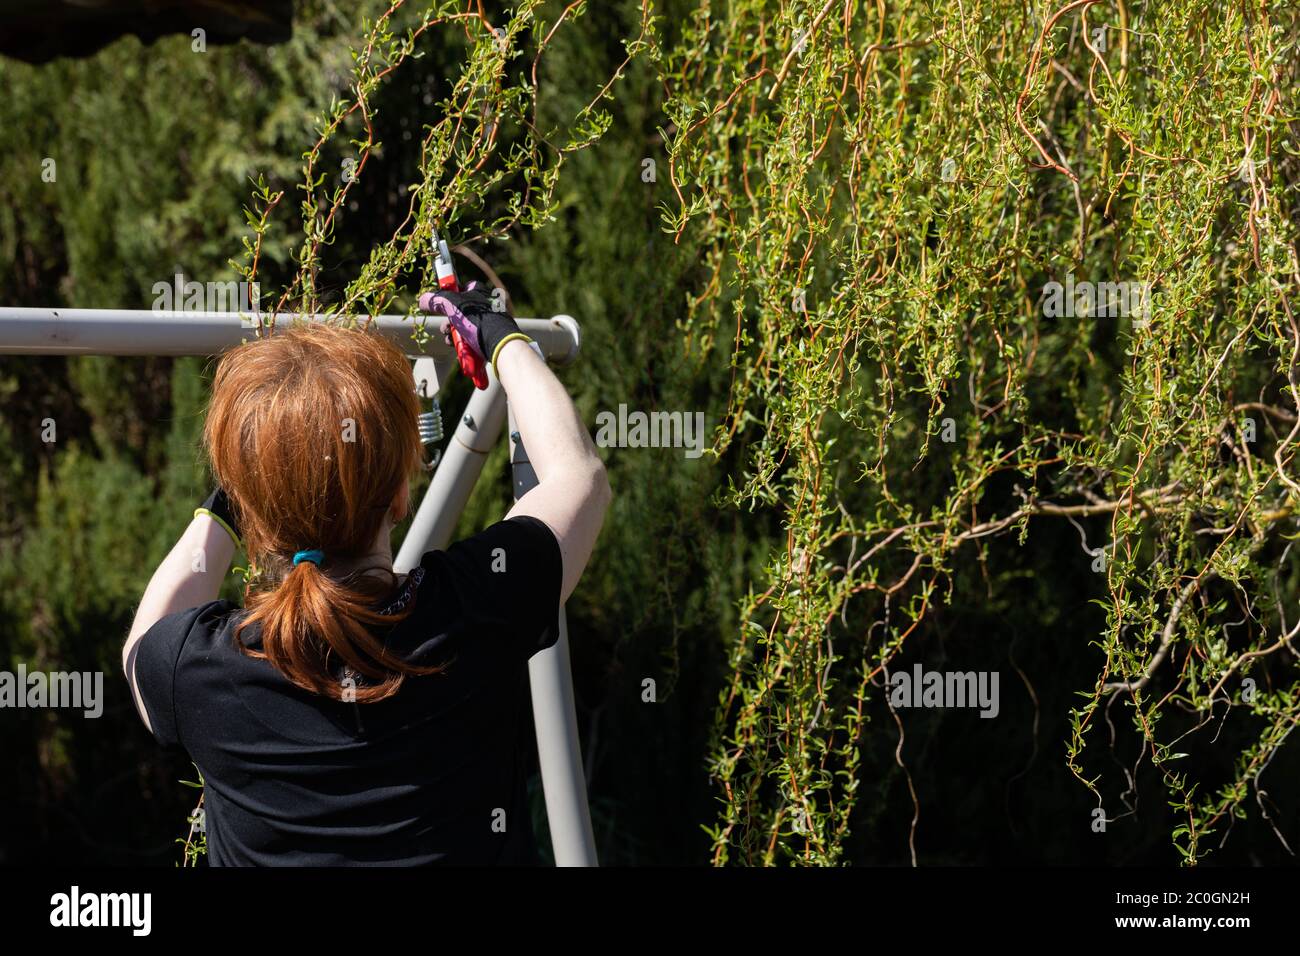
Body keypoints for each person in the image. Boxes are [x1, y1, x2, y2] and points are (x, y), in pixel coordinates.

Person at [121, 288, 610, 865]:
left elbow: (140, 647)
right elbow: (578, 478)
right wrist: (504, 341)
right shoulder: (474, 609)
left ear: (255, 517)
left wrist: (247, 484)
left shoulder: (198, 673)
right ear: (400, 496)